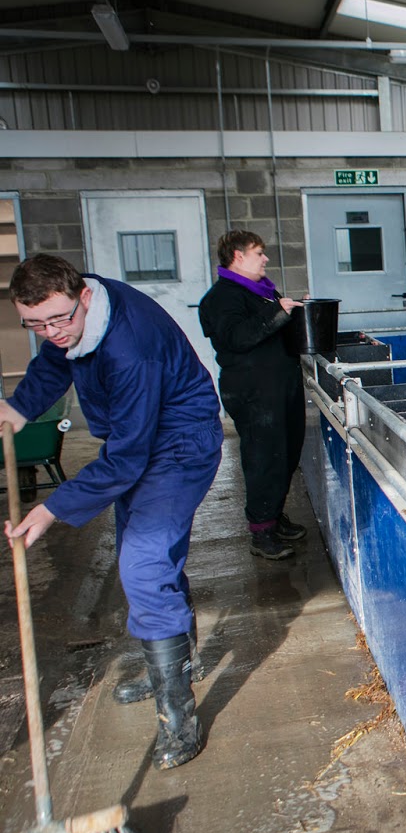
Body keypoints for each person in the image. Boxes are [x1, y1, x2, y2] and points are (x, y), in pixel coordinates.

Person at [0, 254, 222, 770]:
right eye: (35, 324)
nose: (51, 331)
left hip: (178, 444)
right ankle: (174, 661)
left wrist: (52, 508)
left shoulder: (129, 348)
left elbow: (126, 458)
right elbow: (55, 360)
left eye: (59, 320)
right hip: (139, 441)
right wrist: (17, 409)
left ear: (82, 298)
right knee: (143, 559)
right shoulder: (71, 320)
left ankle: (179, 718)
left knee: (143, 564)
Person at [198, 230, 307, 562]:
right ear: (238, 257)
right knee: (264, 458)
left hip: (278, 386)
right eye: (259, 252)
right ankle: (261, 530)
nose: (265, 258)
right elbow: (237, 337)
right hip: (253, 391)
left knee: (286, 453)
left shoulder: (261, 291)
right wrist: (277, 313)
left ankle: (273, 515)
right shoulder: (223, 297)